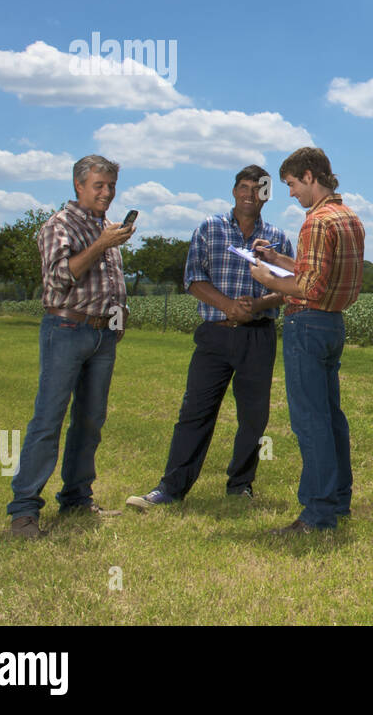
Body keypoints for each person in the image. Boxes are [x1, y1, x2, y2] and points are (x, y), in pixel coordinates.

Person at [126, 166, 293, 511]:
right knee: (195, 412)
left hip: (257, 337)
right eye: (244, 187)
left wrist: (258, 303)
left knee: (254, 417)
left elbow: (290, 287)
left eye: (258, 189)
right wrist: (229, 306)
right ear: (234, 191)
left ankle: (240, 486)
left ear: (266, 195)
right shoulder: (209, 228)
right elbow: (193, 279)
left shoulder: (277, 238)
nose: (250, 194)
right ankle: (171, 488)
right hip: (214, 337)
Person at [8, 154, 134, 539]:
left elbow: (107, 282)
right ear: (78, 185)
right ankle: (25, 511)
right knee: (49, 420)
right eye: (99, 185)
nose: (107, 193)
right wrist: (101, 243)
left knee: (91, 420)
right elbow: (62, 276)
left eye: (111, 186)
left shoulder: (104, 228)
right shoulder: (58, 225)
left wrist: (118, 316)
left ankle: (77, 496)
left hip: (102, 334)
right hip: (66, 328)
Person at [249, 147, 364, 534]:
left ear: (310, 176)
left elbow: (308, 286)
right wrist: (278, 259)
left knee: (309, 422)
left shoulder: (315, 222)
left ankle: (316, 514)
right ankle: (338, 500)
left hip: (307, 324)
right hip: (332, 326)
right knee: (331, 417)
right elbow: (319, 272)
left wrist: (267, 280)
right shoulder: (349, 218)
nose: (292, 193)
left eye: (293, 184)